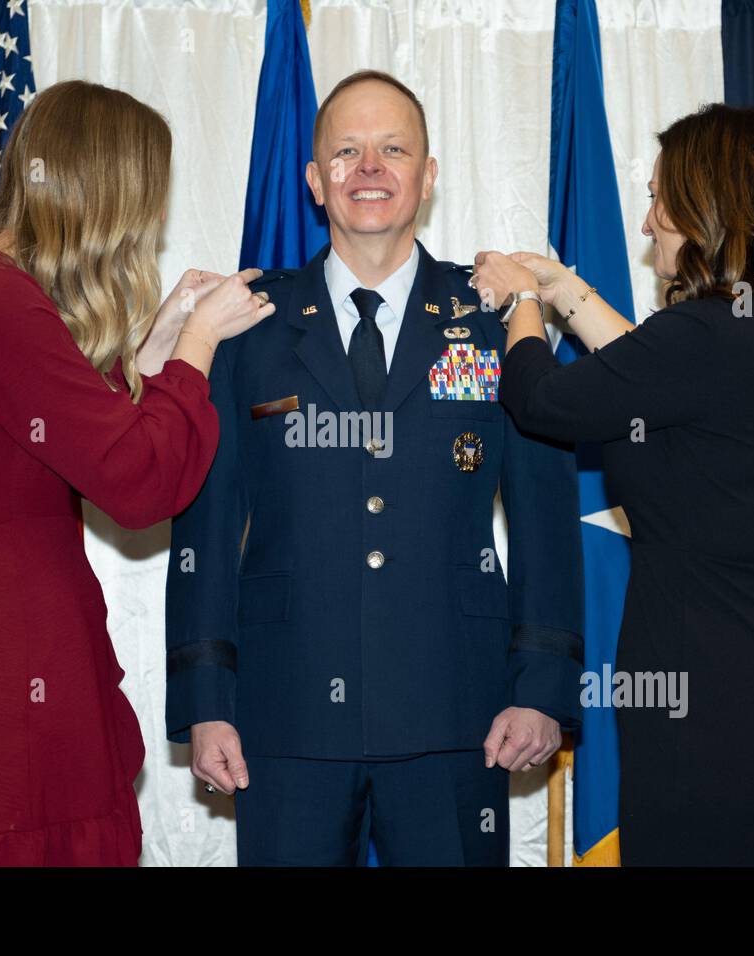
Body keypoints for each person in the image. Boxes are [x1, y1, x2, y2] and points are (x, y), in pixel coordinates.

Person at [165, 70, 584, 866]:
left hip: (458, 713)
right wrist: (207, 701)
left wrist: (540, 689)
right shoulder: (245, 327)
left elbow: (545, 520)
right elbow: (207, 526)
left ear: (428, 177)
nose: (369, 168)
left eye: (393, 149)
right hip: (285, 717)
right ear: (314, 181)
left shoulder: (495, 319)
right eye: (347, 152)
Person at [0, 80, 273, 866]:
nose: (144, 225)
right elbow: (137, 482)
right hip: (14, 663)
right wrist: (198, 342)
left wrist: (158, 346)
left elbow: (64, 430)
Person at [472, 103, 754, 866]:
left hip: (717, 732)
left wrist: (520, 302)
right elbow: (643, 377)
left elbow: (545, 400)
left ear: (707, 203)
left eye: (658, 198)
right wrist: (564, 290)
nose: (647, 224)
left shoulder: (708, 333)